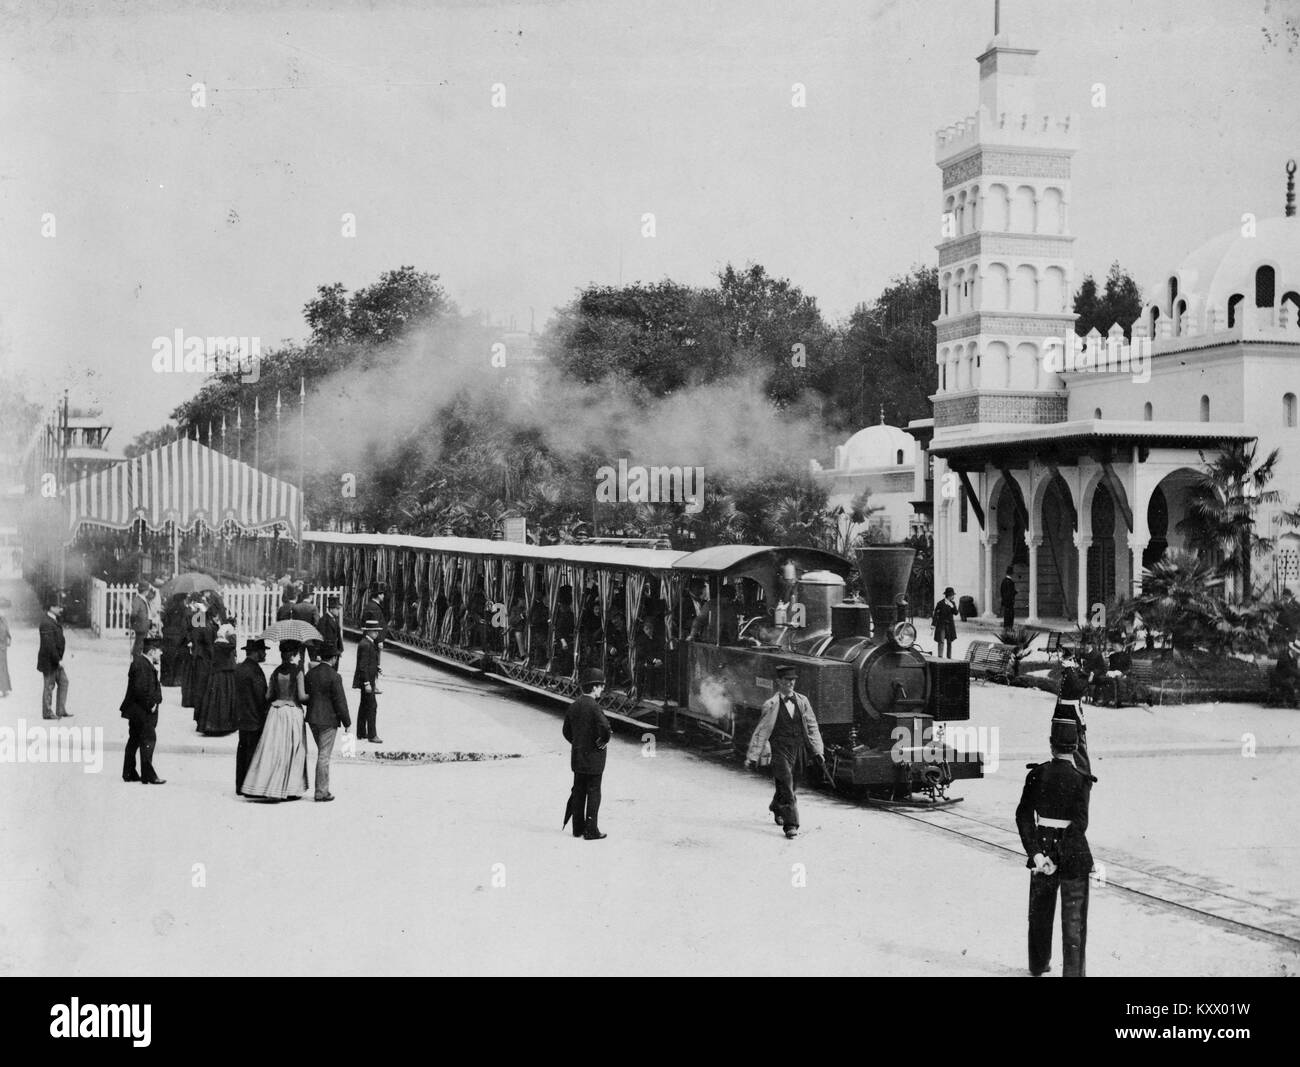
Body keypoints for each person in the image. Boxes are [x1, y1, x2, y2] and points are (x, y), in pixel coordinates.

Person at [1015, 717, 1096, 977]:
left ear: (1051, 745)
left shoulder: (1036, 774)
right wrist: (1062, 854)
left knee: (1039, 913)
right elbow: (1080, 824)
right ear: (1074, 747)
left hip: (1043, 853)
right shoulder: (1082, 780)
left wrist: (1038, 854)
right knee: (1074, 920)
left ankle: (1038, 965)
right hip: (1074, 856)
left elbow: (1023, 816)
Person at [744, 665, 826, 839]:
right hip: (779, 749)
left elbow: (812, 726)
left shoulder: (803, 701)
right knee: (787, 785)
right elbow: (761, 731)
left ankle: (776, 805)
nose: (791, 683)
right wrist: (752, 756)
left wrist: (818, 751)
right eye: (787, 680)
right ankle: (791, 825)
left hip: (799, 748)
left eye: (793, 680)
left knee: (792, 784)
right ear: (778, 682)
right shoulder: (771, 705)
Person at [241, 641, 309, 801]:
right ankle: (291, 788)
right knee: (293, 750)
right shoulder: (298, 672)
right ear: (294, 654)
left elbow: (268, 696)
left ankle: (270, 785)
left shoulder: (276, 671)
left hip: (276, 713)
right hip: (292, 713)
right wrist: (313, 695)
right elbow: (301, 697)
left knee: (274, 750)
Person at [562, 668, 612, 840]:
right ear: (595, 687)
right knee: (594, 792)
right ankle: (591, 830)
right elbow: (605, 728)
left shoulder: (574, 705)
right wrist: (602, 742)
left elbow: (566, 731)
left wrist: (577, 743)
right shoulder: (594, 707)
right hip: (593, 760)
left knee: (578, 791)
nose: (602, 690)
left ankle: (577, 829)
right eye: (601, 686)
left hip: (577, 757)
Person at [305, 642, 352, 802]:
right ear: (333, 658)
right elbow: (340, 702)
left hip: (312, 719)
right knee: (324, 755)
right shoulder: (335, 676)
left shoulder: (310, 674)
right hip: (329, 720)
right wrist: (347, 722)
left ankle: (322, 788)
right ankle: (321, 791)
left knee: (322, 753)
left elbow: (306, 695)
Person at [120, 636, 165, 785]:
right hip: (142, 711)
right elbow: (140, 690)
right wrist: (151, 704)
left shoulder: (141, 662)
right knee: (148, 740)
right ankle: (149, 775)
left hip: (135, 710)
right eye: (159, 651)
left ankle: (129, 772)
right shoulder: (142, 665)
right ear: (152, 651)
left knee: (134, 740)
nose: (161, 653)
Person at [234, 638, 269, 796]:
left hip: (242, 716)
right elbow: (261, 695)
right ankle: (250, 787)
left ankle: (240, 785)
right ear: (255, 653)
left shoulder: (240, 668)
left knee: (242, 750)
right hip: (255, 717)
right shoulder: (255, 671)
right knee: (252, 752)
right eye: (263, 651)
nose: (265, 654)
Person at [1053, 648, 1091, 776]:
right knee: (1075, 745)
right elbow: (1078, 688)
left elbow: (1076, 689)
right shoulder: (1070, 672)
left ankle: (1084, 774)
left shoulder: (1070, 672)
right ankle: (1083, 773)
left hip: (1066, 712)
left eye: (1066, 659)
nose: (1063, 661)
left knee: (1073, 745)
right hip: (1069, 712)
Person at [198, 623, 239, 735]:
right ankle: (222, 726)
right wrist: (233, 635)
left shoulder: (217, 644)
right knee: (223, 700)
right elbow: (233, 645)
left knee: (216, 700)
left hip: (217, 675)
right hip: (224, 675)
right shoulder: (224, 645)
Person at [37, 599, 71, 720]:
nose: (61, 609)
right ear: (51, 607)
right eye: (58, 607)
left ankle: (60, 710)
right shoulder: (46, 622)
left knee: (64, 682)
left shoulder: (53, 620)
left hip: (55, 660)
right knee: (49, 685)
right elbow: (49, 645)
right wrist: (58, 660)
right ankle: (47, 712)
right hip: (49, 661)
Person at [353, 618, 382, 744]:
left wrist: (377, 668)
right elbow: (363, 666)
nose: (377, 633)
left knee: (364, 705)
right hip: (367, 681)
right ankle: (372, 735)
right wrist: (367, 683)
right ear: (368, 632)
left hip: (368, 680)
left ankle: (361, 732)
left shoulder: (367, 643)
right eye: (374, 631)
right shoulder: (366, 645)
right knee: (371, 706)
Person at [1270, 637, 1300, 707]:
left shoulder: (1294, 659)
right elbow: (1288, 670)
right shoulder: (1284, 656)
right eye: (1298, 653)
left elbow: (1294, 671)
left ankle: (1297, 701)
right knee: (1288, 684)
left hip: (1288, 678)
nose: (1299, 655)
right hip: (1279, 678)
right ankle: (1294, 701)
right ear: (1293, 650)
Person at [931, 587, 958, 659]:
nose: (953, 596)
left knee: (949, 641)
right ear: (949, 595)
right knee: (941, 640)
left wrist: (952, 606)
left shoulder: (953, 603)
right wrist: (933, 624)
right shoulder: (940, 603)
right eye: (952, 595)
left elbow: (956, 613)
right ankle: (940, 657)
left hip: (949, 625)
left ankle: (949, 657)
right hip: (941, 625)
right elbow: (936, 615)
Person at [129, 580, 152, 657]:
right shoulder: (138, 600)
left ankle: (137, 656)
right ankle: (136, 657)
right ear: (145, 591)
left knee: (141, 642)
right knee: (139, 643)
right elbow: (134, 613)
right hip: (140, 625)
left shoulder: (144, 599)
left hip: (144, 625)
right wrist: (133, 623)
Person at [317, 596, 343, 661]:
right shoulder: (323, 620)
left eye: (339, 609)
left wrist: (340, 649)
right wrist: (318, 654)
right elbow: (319, 637)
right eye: (337, 609)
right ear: (331, 609)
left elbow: (338, 636)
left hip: (335, 651)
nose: (338, 611)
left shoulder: (335, 619)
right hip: (327, 652)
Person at [1000, 566, 1017, 632]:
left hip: (1005, 601)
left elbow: (1002, 591)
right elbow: (1010, 592)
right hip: (1009, 602)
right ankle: (1009, 628)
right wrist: (1015, 592)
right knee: (1010, 615)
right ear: (1012, 573)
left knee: (1006, 615)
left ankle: (1006, 628)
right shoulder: (1010, 582)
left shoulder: (1004, 581)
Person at [0, 608, 11, 697]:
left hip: (2, 648)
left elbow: (7, 632)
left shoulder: (3, 620)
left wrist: (8, 639)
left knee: (3, 668)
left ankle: (4, 689)